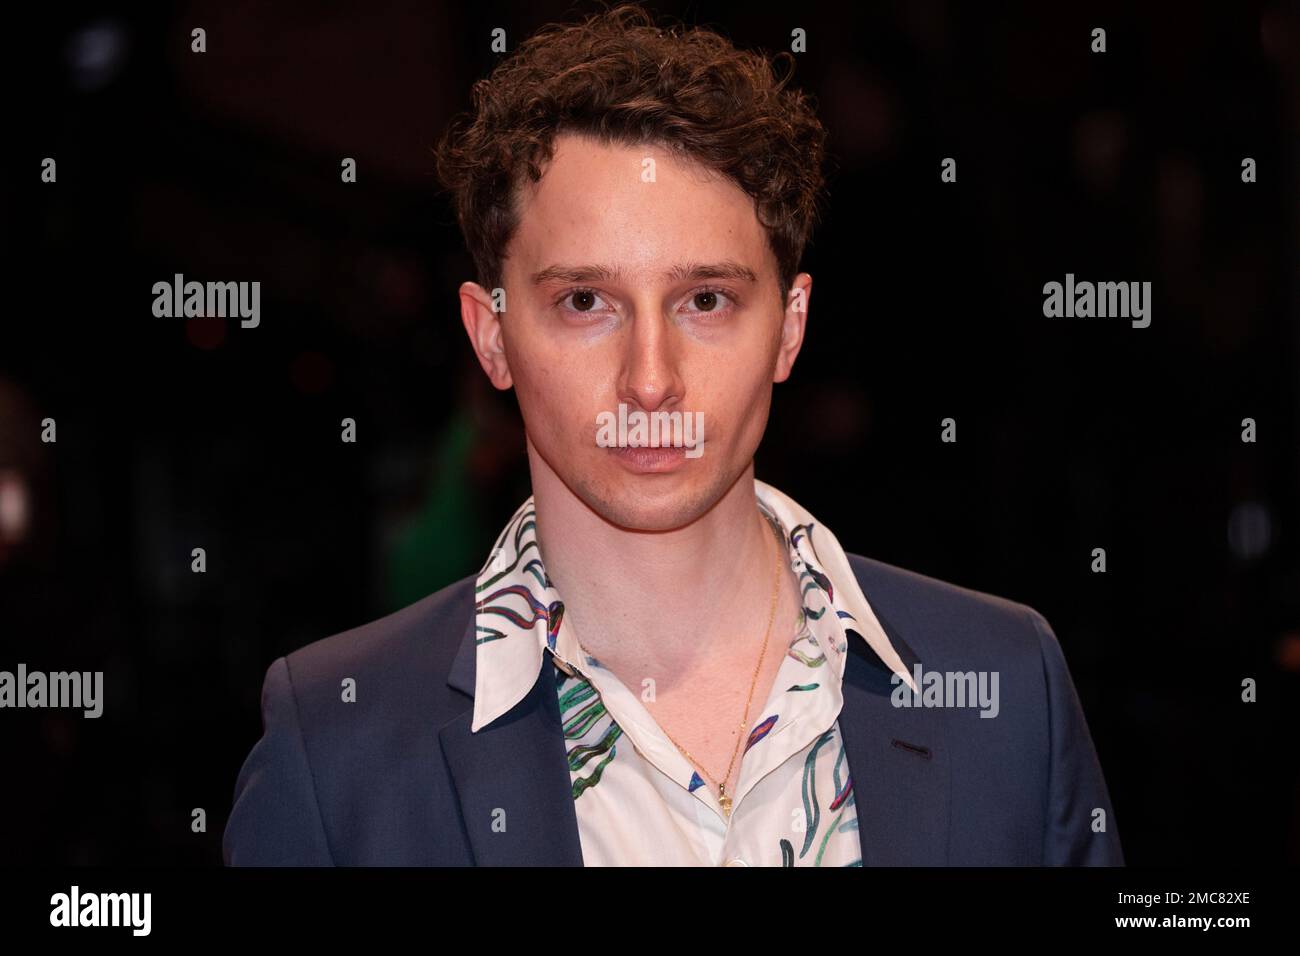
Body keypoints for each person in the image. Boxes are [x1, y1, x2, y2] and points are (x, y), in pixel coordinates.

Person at [223, 3, 1123, 866]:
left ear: (790, 326)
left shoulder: (1007, 687)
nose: (650, 379)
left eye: (705, 301)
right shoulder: (340, 745)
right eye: (585, 302)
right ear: (490, 336)